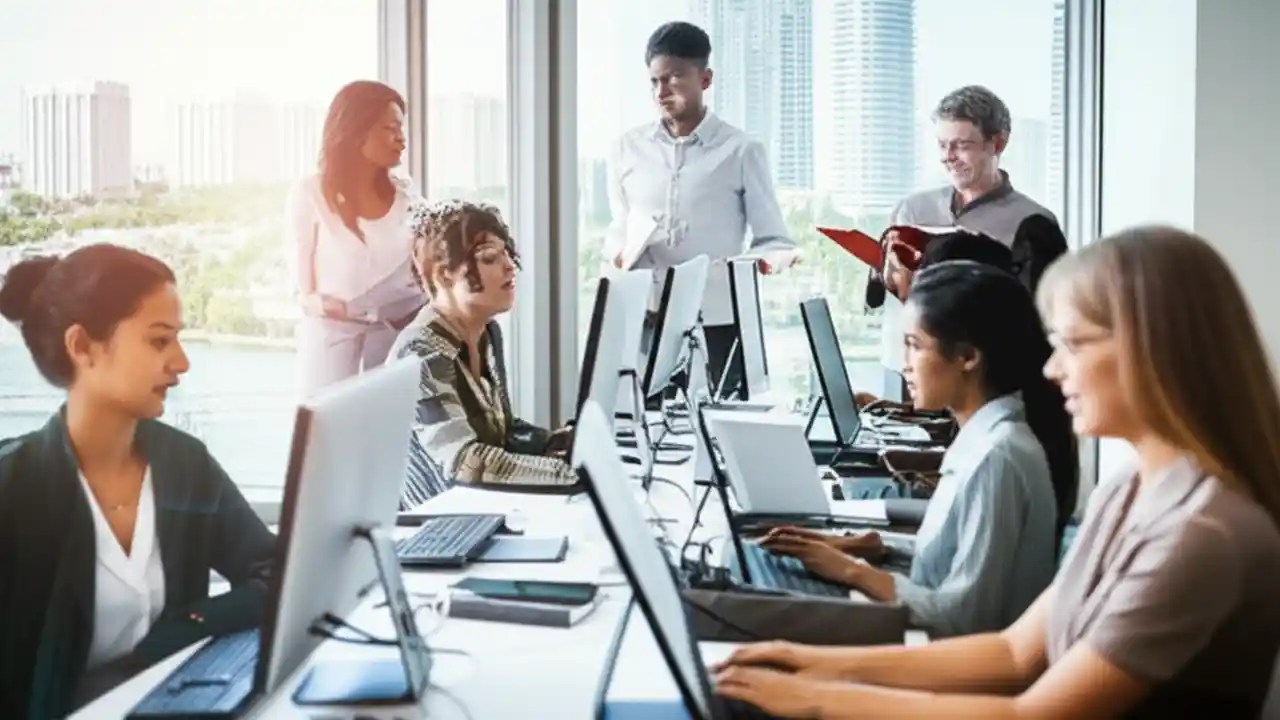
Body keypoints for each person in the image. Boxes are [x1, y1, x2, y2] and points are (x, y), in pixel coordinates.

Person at [714, 227, 1280, 719]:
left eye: (1072, 344)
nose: (1052, 369)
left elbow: (1034, 713)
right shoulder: (1133, 489)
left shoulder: (1202, 533)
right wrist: (805, 661)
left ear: (1154, 347)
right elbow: (1014, 652)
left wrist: (815, 697)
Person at [0, 245, 275, 718]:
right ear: (81, 346)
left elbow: (276, 572)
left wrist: (190, 625)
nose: (182, 362)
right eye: (158, 341)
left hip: (172, 706)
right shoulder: (14, 488)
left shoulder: (184, 465)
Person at [763, 262, 1075, 637]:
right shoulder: (984, 438)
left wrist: (851, 571)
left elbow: (963, 618)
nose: (904, 365)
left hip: (953, 660)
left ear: (967, 357)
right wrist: (877, 547)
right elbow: (948, 562)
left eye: (914, 346)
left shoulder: (997, 457)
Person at [604, 21, 798, 392]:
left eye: (674, 78)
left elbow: (775, 239)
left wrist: (763, 262)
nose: (661, 91)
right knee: (645, 421)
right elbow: (620, 227)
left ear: (705, 79)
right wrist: (618, 250)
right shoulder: (626, 149)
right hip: (648, 322)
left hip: (718, 324)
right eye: (654, 81)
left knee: (728, 423)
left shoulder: (742, 151)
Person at [869, 85, 1068, 403]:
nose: (948, 157)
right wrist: (886, 275)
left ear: (997, 143)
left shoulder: (1032, 223)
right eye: (942, 145)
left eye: (962, 145)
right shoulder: (911, 210)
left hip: (985, 383)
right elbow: (880, 296)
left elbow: (1042, 321)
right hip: (905, 374)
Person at [390, 200, 577, 507]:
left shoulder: (488, 333)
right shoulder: (420, 351)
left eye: (507, 254)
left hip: (486, 508)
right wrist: (568, 474)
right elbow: (466, 463)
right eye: (490, 258)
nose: (509, 266)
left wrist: (564, 441)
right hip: (442, 522)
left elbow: (505, 432)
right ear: (444, 275)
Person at [288, 79, 426, 399]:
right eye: (390, 128)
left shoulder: (407, 195)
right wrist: (327, 306)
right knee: (328, 425)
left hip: (395, 344)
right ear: (355, 131)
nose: (401, 139)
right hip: (331, 346)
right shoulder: (310, 193)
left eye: (401, 128)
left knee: (391, 424)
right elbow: (302, 291)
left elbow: (428, 265)